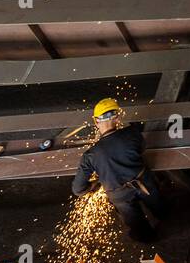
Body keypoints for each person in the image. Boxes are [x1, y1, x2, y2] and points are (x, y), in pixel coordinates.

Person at [71, 99, 165, 243]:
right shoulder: (132, 133)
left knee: (138, 227)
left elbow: (78, 189)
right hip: (143, 182)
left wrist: (95, 183)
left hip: (119, 195)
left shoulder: (90, 155)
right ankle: (167, 218)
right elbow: (140, 149)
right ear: (118, 118)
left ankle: (148, 239)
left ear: (96, 121)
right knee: (160, 207)